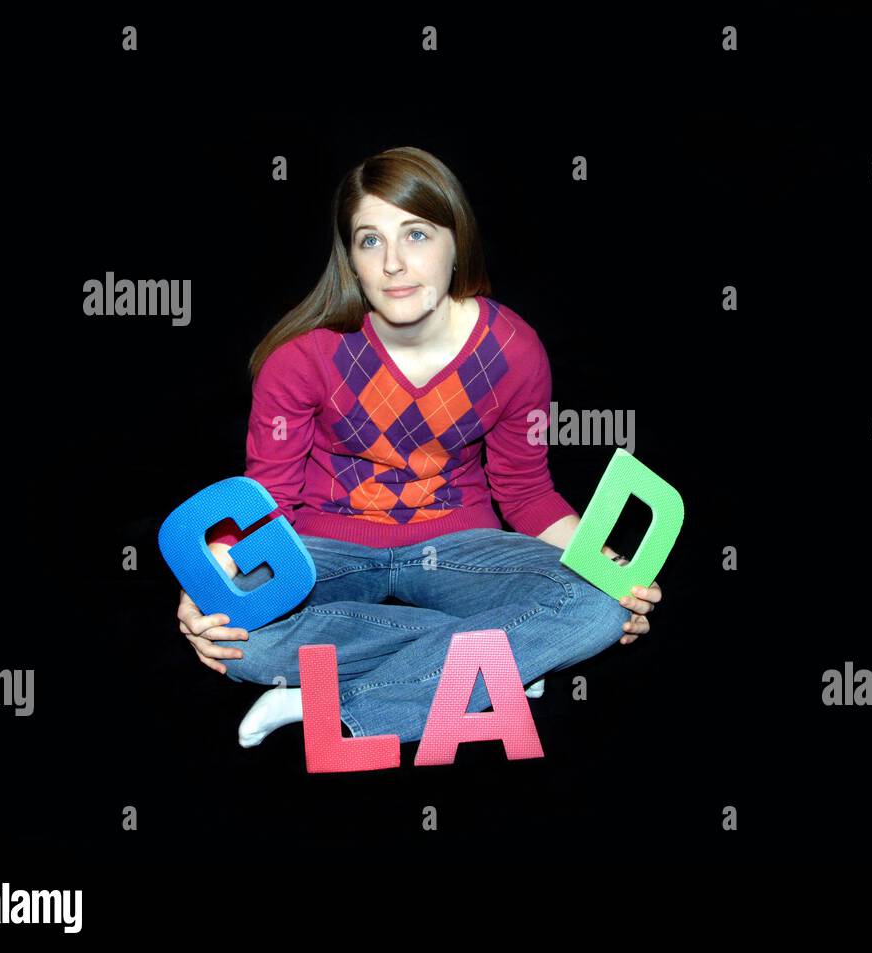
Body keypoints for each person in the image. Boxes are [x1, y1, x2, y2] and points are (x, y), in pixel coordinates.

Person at [174, 146, 663, 747]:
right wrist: (208, 582)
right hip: (325, 549)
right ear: (350, 258)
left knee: (601, 608)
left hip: (458, 546)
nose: (395, 264)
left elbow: (527, 491)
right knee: (240, 643)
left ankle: (342, 700)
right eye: (370, 240)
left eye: (417, 234)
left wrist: (615, 573)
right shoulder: (300, 359)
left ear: (458, 241)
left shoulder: (513, 350)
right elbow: (266, 500)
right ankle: (492, 656)